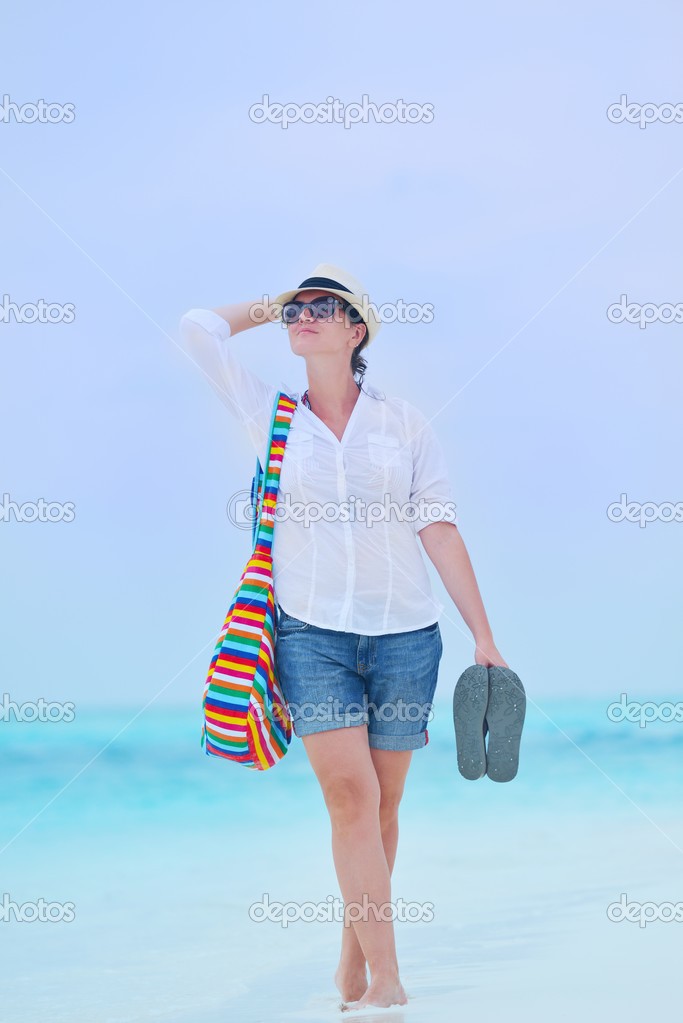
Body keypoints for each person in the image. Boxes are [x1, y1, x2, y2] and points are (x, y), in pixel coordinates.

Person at [179, 263, 508, 1011]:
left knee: (384, 805)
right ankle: (388, 979)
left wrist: (483, 635)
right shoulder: (269, 412)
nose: (305, 316)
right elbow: (198, 329)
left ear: (357, 330)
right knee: (350, 797)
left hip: (405, 636)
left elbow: (438, 527)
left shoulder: (403, 423)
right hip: (311, 636)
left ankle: (350, 963)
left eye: (324, 307)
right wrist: (274, 303)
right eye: (298, 309)